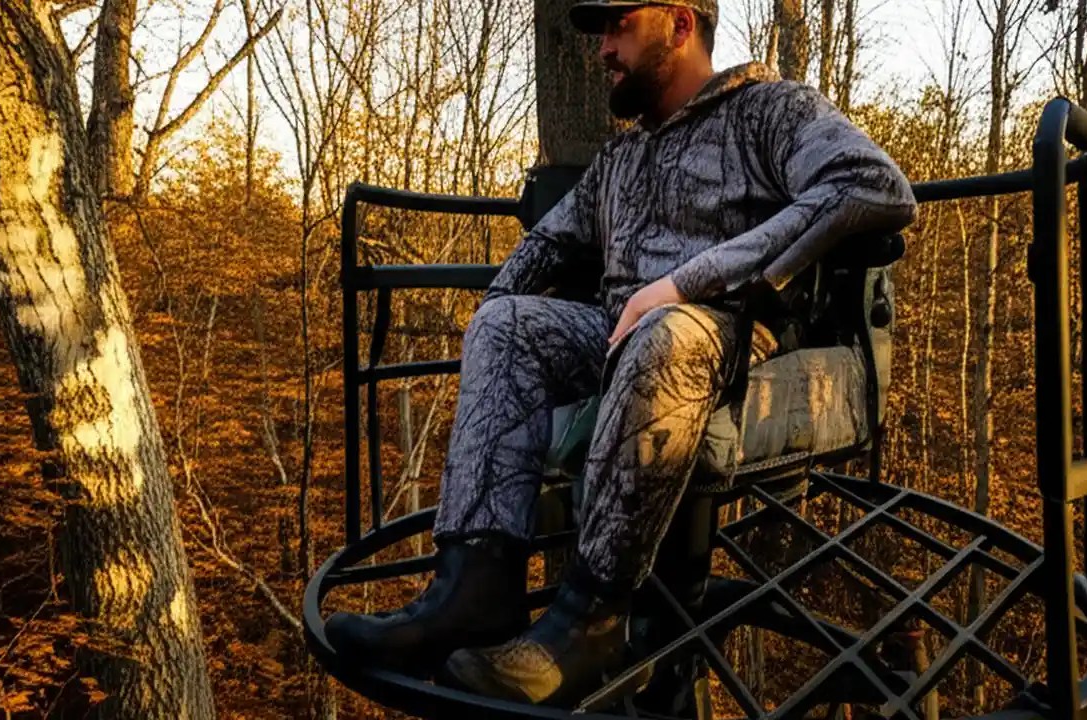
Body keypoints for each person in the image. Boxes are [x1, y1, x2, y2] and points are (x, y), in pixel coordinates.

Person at [325, 0, 916, 706]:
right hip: (614, 335)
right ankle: (472, 589)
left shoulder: (770, 109)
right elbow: (545, 244)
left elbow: (874, 184)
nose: (603, 49)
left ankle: (591, 623)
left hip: (723, 339)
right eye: (599, 32)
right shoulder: (623, 155)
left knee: (665, 332)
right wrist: (489, 324)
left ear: (680, 23)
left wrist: (682, 283)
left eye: (618, 26)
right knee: (506, 324)